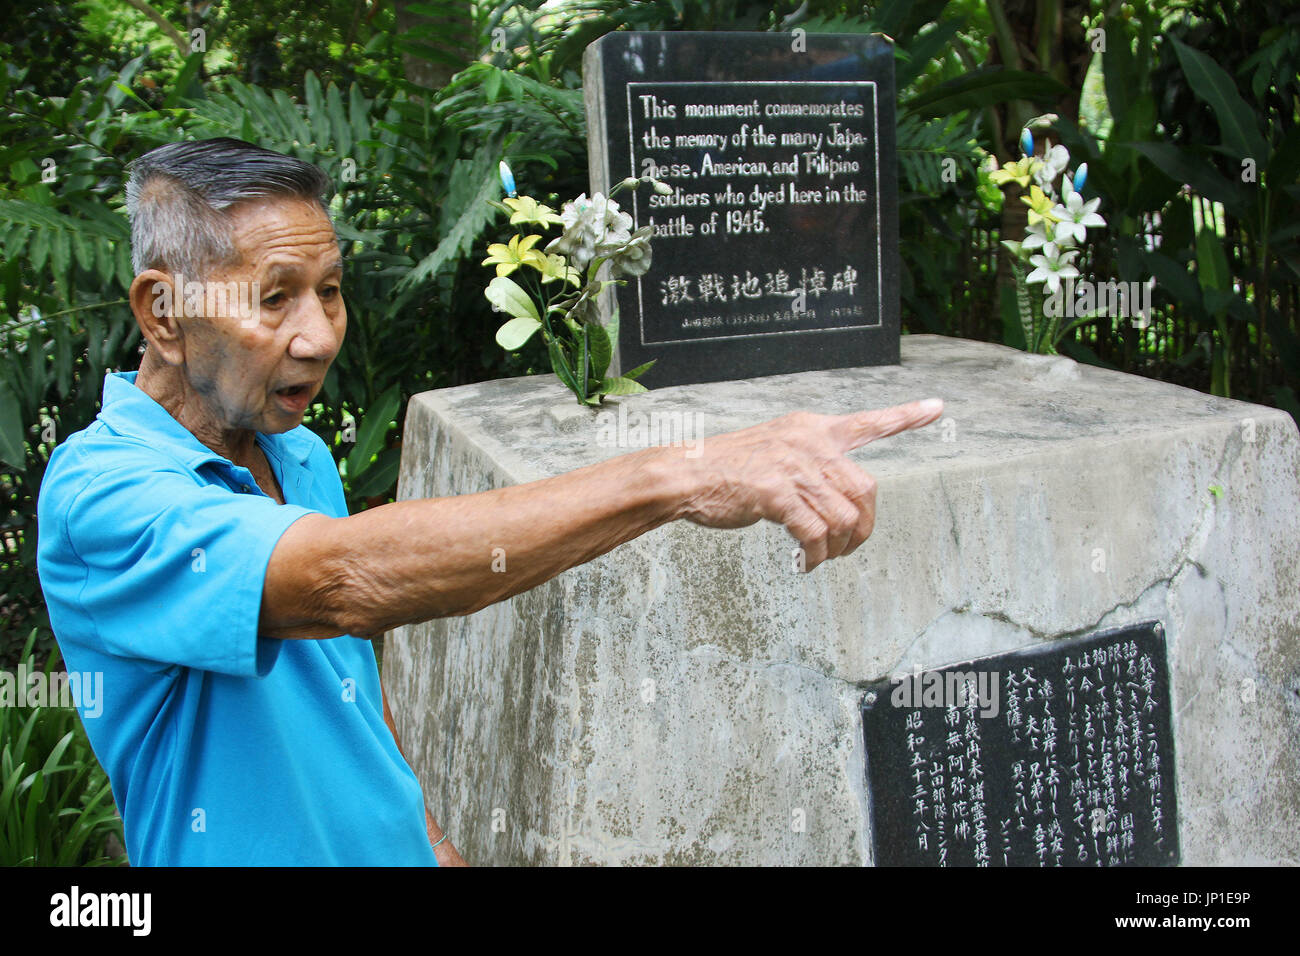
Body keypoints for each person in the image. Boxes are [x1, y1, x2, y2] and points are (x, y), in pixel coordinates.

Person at [36, 138, 942, 866]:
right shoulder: (101, 494)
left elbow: (345, 667)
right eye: (274, 300)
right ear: (162, 311)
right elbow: (340, 583)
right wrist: (681, 473)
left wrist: (426, 835)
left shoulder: (298, 451)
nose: (317, 337)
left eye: (331, 292)